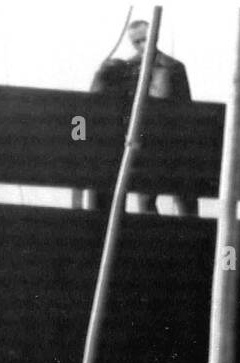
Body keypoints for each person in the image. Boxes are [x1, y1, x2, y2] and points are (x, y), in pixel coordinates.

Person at [89, 19, 195, 216]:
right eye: (137, 41)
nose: (142, 45)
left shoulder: (167, 67)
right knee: (151, 198)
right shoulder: (135, 68)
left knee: (168, 197)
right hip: (155, 149)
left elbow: (185, 108)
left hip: (158, 149)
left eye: (144, 39)